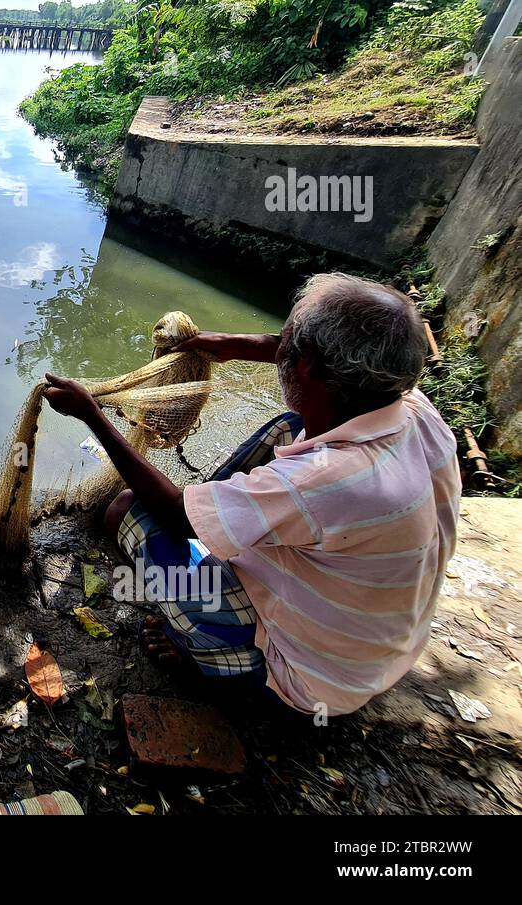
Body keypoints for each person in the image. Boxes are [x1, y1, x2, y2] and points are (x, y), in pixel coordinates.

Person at [43, 273, 461, 716]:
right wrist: (232, 345)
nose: (278, 346)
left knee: (127, 512)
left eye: (287, 344)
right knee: (290, 424)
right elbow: (310, 359)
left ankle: (219, 666)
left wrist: (93, 415)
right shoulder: (406, 403)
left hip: (309, 679)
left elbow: (174, 515)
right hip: (375, 649)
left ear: (307, 366)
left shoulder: (322, 479)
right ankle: (221, 520)